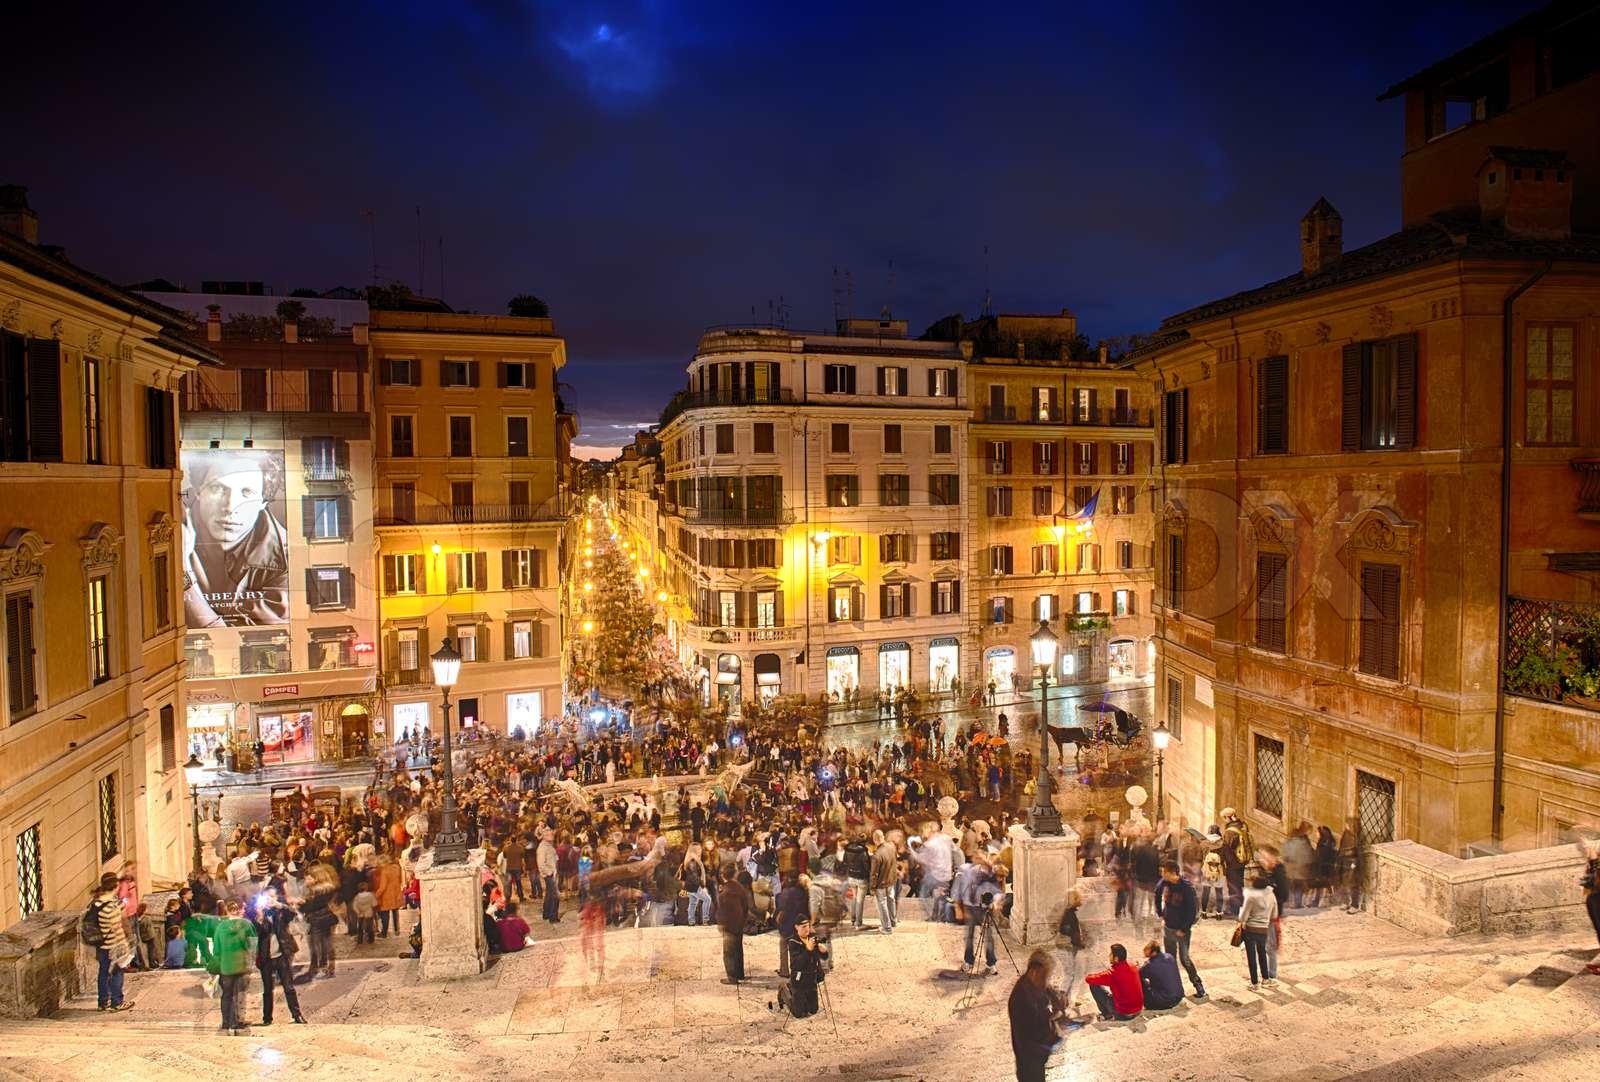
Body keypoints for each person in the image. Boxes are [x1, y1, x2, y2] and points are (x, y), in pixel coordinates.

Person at [181, 448, 290, 627]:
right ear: (199, 490)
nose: (231, 506)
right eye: (218, 488)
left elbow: (231, 638)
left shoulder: (286, 558)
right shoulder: (169, 522)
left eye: (247, 493)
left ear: (264, 501)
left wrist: (181, 568)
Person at [1008, 950, 1066, 1082]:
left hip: (1037, 1057)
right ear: (1035, 971)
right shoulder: (1021, 999)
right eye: (1045, 976)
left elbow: (1049, 990)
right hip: (1030, 1062)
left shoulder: (1034, 984)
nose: (1047, 981)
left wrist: (1058, 998)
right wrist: (1055, 1016)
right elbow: (1030, 1034)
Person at [1153, 861, 1206, 998]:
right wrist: (1160, 913)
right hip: (1168, 928)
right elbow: (1156, 894)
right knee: (1170, 960)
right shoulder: (1165, 883)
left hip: (1182, 931)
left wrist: (1184, 928)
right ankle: (1175, 989)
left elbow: (1191, 911)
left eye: (1165, 872)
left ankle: (1198, 985)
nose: (1162, 874)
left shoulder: (1186, 888)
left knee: (1185, 959)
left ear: (1173, 873)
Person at [253, 891, 306, 1025]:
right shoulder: (259, 915)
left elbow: (293, 914)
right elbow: (259, 932)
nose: (268, 900)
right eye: (266, 898)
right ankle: (267, 1018)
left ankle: (297, 1015)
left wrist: (280, 905)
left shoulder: (281, 912)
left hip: (282, 954)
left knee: (288, 987)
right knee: (267, 990)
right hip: (266, 957)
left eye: (272, 897)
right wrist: (259, 916)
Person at [89, 873, 133, 1012]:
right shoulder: (116, 904)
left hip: (101, 944)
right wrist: (126, 943)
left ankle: (102, 1002)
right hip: (115, 943)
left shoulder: (95, 903)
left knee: (103, 972)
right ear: (115, 886)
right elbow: (119, 925)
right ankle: (117, 1002)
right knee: (117, 972)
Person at [213, 899, 259, 1035]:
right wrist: (252, 962)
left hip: (225, 966)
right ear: (239, 910)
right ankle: (237, 1022)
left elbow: (216, 949)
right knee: (239, 994)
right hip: (242, 965)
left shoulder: (220, 927)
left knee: (226, 995)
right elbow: (253, 945)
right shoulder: (246, 924)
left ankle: (226, 1023)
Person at [952, 858, 1000, 975]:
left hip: (984, 907)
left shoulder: (991, 874)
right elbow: (958, 889)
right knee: (969, 936)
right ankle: (968, 961)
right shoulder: (967, 871)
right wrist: (958, 907)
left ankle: (991, 963)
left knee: (989, 936)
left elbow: (997, 891)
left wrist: (996, 901)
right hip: (970, 906)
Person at [780, 916, 829, 1019]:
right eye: (803, 926)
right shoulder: (793, 942)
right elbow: (796, 965)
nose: (807, 929)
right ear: (796, 927)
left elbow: (822, 958)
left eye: (808, 926)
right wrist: (808, 950)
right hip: (799, 980)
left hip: (811, 980)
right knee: (798, 1013)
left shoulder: (812, 938)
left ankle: (794, 991)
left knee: (813, 1010)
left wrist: (824, 952)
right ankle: (784, 990)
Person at [1238, 871, 1279, 989]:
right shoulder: (1271, 895)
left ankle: (1254, 983)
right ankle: (1265, 979)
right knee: (1262, 954)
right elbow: (1274, 914)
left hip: (1250, 930)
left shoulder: (1251, 897)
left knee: (1251, 957)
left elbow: (1243, 917)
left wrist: (1243, 914)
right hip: (1263, 930)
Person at [1084, 943, 1144, 1021]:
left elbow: (1088, 979)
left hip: (1123, 1014)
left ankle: (1106, 1015)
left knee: (1093, 985)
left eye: (1110, 954)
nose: (1109, 956)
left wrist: (1094, 975)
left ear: (1116, 958)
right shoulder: (1133, 967)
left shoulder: (1112, 973)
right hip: (1138, 1010)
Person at [717, 866, 749, 984]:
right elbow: (745, 905)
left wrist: (721, 924)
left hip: (729, 926)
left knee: (729, 952)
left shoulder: (724, 893)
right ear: (734, 874)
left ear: (722, 876)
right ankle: (740, 973)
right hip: (740, 923)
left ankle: (732, 977)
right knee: (738, 949)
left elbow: (722, 911)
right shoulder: (739, 888)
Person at [1054, 888, 1085, 1011]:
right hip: (1065, 948)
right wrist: (1080, 943)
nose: (1082, 899)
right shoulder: (1069, 915)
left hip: (1067, 947)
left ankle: (1068, 999)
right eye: (1079, 897)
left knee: (1072, 974)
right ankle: (1060, 1000)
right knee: (1069, 975)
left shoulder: (1070, 912)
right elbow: (1070, 932)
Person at [775, 873, 810, 978]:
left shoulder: (783, 894)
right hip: (799, 925)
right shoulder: (803, 893)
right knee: (798, 948)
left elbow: (780, 910)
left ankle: (784, 970)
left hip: (786, 925)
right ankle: (799, 970)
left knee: (783, 946)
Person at [1138, 940, 1184, 1010]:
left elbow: (1138, 973)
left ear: (1154, 953)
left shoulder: (1150, 965)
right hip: (1178, 996)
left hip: (1165, 1001)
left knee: (1138, 978)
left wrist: (1141, 966)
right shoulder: (1170, 957)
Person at [869, 829, 897, 933]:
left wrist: (872, 888)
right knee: (891, 900)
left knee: (882, 904)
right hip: (891, 880)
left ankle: (887, 928)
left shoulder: (877, 855)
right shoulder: (891, 848)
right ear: (883, 837)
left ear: (874, 840)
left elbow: (874, 874)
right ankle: (893, 922)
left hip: (881, 883)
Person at [842, 833, 871, 931]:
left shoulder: (848, 848)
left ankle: (853, 920)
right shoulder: (863, 851)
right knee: (860, 900)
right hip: (861, 878)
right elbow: (866, 867)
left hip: (851, 876)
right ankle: (858, 923)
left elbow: (844, 861)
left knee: (854, 898)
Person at [1338, 817, 1364, 913]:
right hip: (1344, 862)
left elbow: (1359, 853)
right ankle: (1345, 902)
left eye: (1347, 824)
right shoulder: (1345, 835)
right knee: (1343, 883)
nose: (1346, 826)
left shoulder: (1357, 837)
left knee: (1353, 885)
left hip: (1353, 864)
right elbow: (1341, 848)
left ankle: (1354, 905)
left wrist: (1355, 864)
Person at [537, 828, 560, 924]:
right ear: (545, 836)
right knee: (556, 895)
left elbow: (554, 858)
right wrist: (550, 872)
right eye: (551, 835)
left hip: (552, 873)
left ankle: (546, 914)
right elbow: (541, 864)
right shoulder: (542, 847)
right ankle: (553, 917)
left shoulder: (549, 846)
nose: (553, 836)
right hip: (549, 875)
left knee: (549, 894)